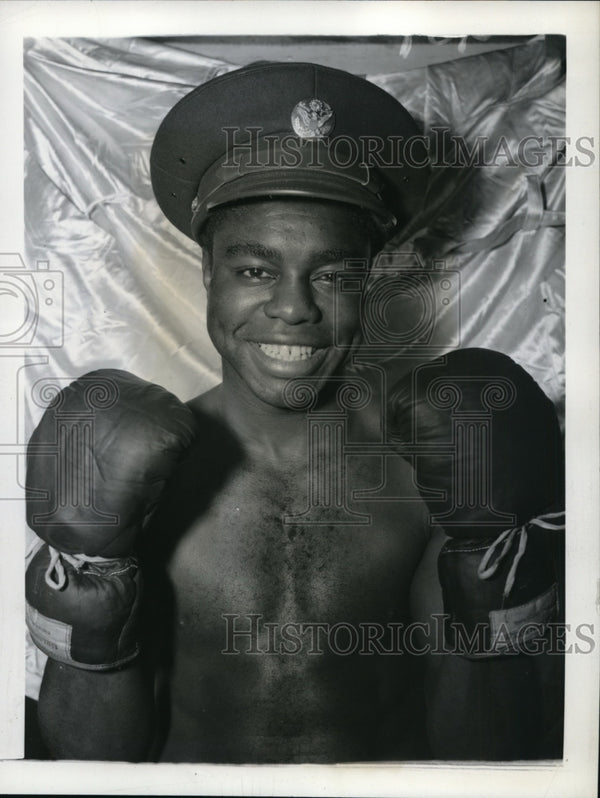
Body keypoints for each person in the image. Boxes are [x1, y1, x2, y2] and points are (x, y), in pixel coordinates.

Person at [24, 61, 564, 763]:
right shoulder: (133, 472)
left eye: (334, 275)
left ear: (369, 282)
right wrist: (83, 614)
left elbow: (486, 760)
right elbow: (88, 770)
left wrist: (498, 597)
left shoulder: (431, 469)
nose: (294, 308)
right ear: (208, 274)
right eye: (255, 270)